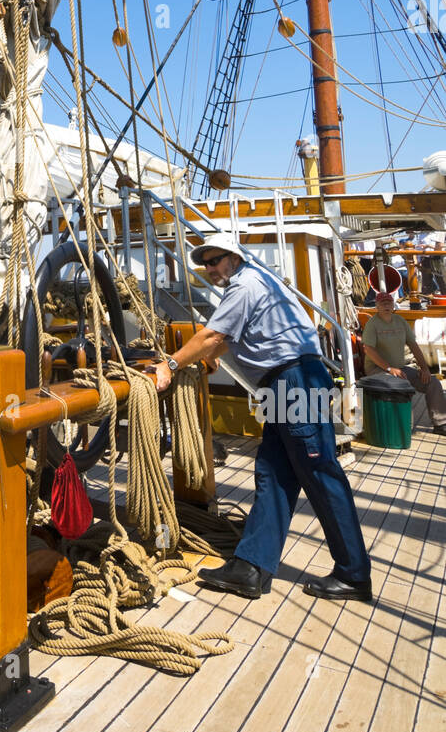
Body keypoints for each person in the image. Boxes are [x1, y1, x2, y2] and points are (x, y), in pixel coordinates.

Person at [154, 232, 372, 603]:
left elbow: (211, 335)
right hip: (286, 384)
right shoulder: (260, 280)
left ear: (233, 258)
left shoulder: (244, 285)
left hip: (294, 383)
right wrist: (213, 352)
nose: (208, 268)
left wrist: (170, 364)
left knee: (321, 473)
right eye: (204, 263)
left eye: (214, 260)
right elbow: (226, 338)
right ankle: (251, 567)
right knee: (273, 473)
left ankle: (353, 575)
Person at [361, 292, 446, 434]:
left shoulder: (400, 321)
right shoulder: (372, 324)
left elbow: (414, 345)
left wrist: (425, 369)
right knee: (402, 383)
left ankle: (440, 424)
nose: (387, 305)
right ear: (376, 306)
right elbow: (367, 349)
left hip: (399, 369)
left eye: (389, 302)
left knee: (433, 383)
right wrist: (389, 368)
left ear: (393, 304)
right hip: (377, 369)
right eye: (383, 303)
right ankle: (405, 427)